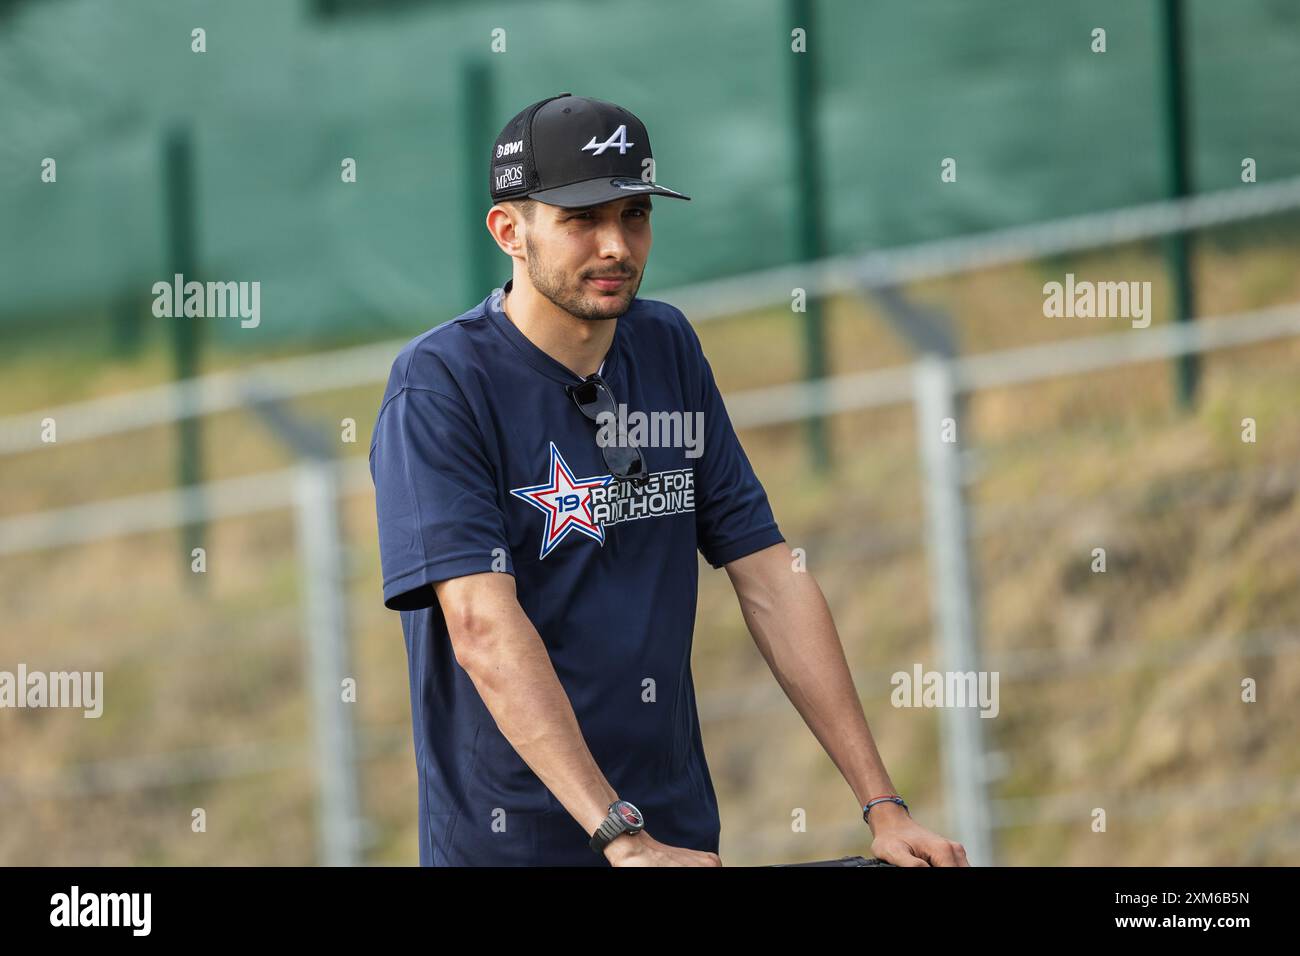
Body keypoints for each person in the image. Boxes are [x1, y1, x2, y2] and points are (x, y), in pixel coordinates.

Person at [369, 92, 968, 867]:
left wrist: (884, 808)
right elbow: (482, 626)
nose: (616, 245)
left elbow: (771, 579)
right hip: (514, 848)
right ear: (509, 231)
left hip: (677, 840)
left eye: (635, 215)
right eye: (582, 219)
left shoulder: (666, 347)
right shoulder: (439, 384)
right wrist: (620, 836)